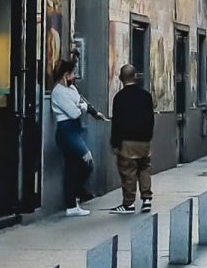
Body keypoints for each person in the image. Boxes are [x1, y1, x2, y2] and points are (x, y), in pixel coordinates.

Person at [50, 57, 106, 216]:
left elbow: (81, 102)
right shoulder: (58, 92)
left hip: (74, 130)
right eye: (72, 74)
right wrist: (83, 107)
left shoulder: (72, 89)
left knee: (72, 167)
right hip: (66, 131)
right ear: (65, 75)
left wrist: (92, 111)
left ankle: (73, 202)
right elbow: (74, 112)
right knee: (86, 161)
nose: (74, 76)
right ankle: (77, 195)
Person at [109, 64, 154, 213]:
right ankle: (147, 199)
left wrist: (115, 143)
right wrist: (148, 137)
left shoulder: (119, 98)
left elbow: (116, 123)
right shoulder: (146, 96)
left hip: (127, 142)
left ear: (121, 78)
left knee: (128, 171)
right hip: (144, 141)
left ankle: (128, 203)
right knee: (144, 168)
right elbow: (151, 119)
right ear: (135, 76)